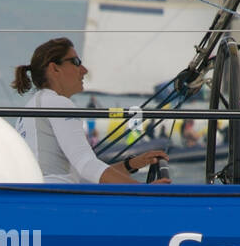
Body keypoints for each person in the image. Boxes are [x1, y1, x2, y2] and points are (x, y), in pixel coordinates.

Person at [13, 38, 167, 183]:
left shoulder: (33, 106)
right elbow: (86, 164)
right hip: (55, 199)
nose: (84, 70)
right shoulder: (57, 103)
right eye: (76, 62)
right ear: (54, 68)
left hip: (39, 196)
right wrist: (145, 191)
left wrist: (131, 164)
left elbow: (85, 175)